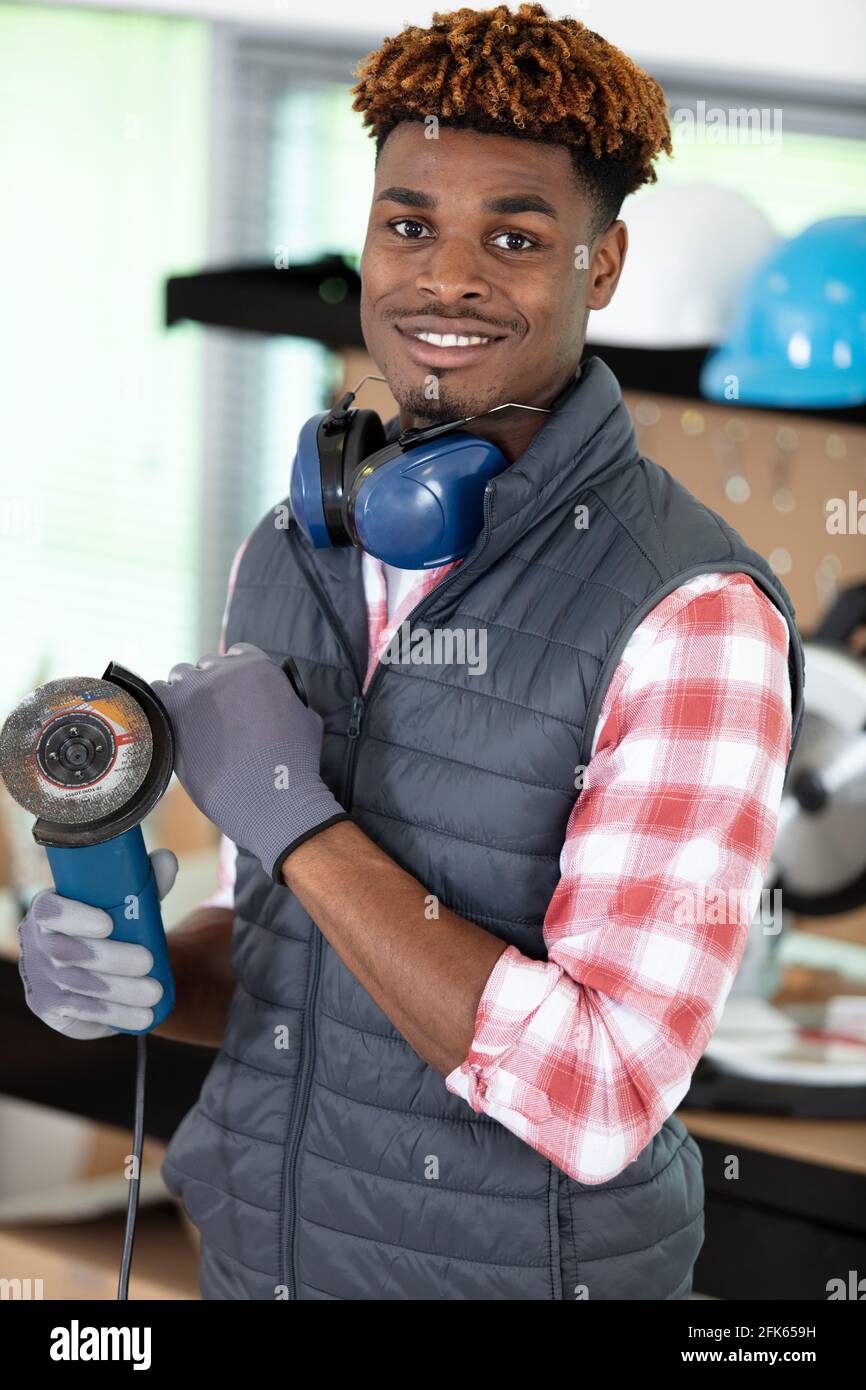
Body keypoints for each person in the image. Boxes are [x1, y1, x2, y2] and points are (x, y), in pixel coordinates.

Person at [17, 3, 803, 1300]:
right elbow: (292, 955)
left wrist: (300, 823)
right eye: (407, 224)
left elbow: (599, 1092)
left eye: (513, 234)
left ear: (599, 267)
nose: (444, 278)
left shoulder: (691, 614)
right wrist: (139, 973)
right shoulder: (291, 547)